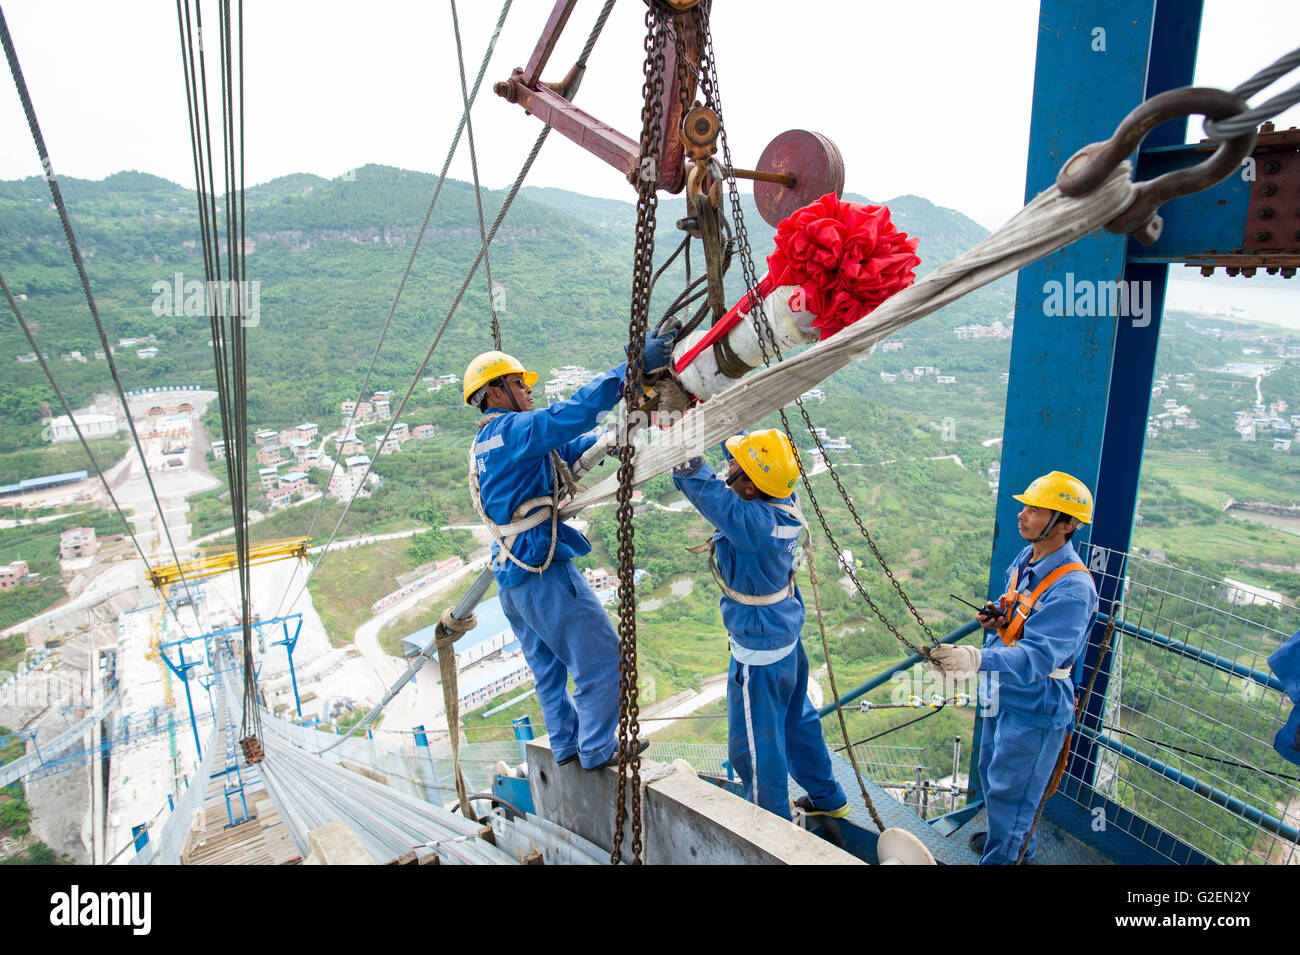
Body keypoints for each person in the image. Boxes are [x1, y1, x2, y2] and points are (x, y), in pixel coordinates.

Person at [462, 335, 673, 771]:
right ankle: (598, 748)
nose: (529, 391)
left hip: (513, 580)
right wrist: (629, 368)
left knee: (549, 673)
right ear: (496, 392)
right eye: (521, 384)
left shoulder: (491, 443)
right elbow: (568, 417)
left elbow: (561, 451)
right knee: (604, 661)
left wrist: (612, 437)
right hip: (542, 575)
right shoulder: (514, 430)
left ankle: (567, 745)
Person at [672, 429, 849, 821]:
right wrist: (712, 416)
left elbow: (696, 481)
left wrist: (675, 430)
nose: (727, 468)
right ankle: (827, 796)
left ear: (750, 488)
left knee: (753, 749)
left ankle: (772, 831)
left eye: (734, 467)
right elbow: (753, 462)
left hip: (759, 655)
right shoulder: (782, 497)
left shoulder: (750, 523)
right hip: (785, 636)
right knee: (797, 719)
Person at [928, 470, 1099, 864]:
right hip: (1001, 690)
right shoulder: (1029, 556)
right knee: (993, 772)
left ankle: (1006, 855)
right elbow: (1019, 604)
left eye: (1035, 510)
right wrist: (1000, 615)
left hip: (1034, 704)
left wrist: (975, 658)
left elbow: (1039, 658)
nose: (1022, 515)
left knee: (1014, 791)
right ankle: (1015, 844)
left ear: (1066, 524)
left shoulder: (1074, 589)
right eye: (1025, 506)